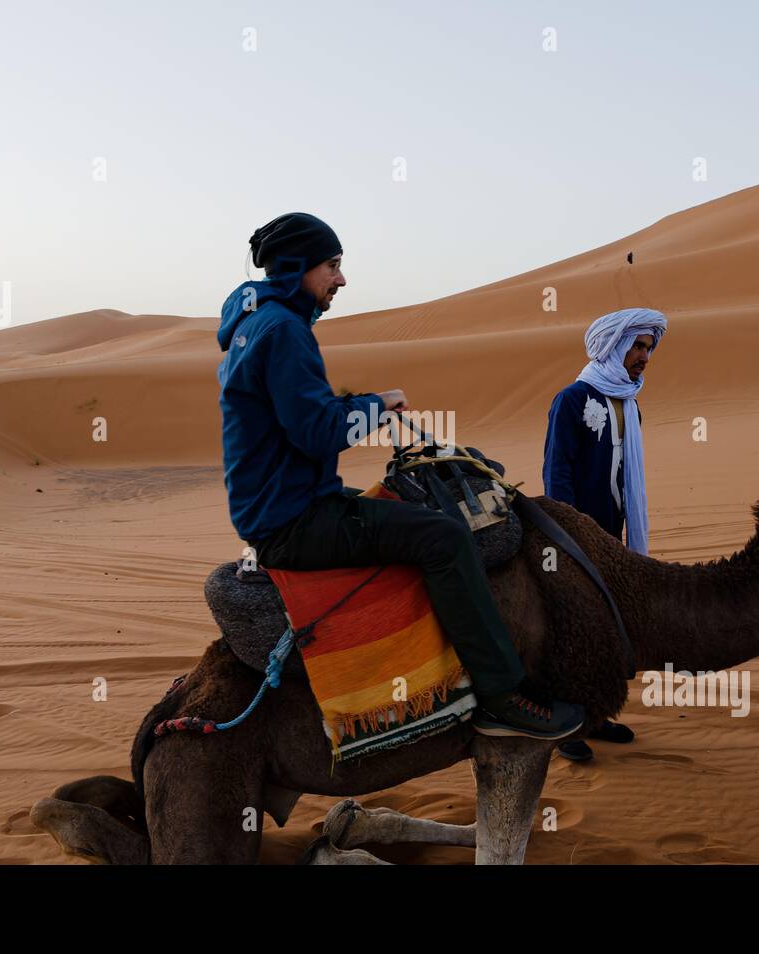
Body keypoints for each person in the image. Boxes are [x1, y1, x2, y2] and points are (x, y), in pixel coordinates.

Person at [217, 212, 584, 740]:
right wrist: (380, 403)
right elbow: (319, 433)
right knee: (444, 536)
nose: (341, 280)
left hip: (284, 503)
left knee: (399, 506)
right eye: (332, 266)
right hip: (292, 519)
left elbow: (295, 417)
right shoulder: (283, 331)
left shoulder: (254, 326)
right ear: (298, 266)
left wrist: (357, 405)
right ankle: (502, 697)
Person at [542, 307, 668, 761]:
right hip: (576, 535)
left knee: (605, 628)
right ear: (612, 347)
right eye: (636, 346)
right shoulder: (573, 399)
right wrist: (568, 532)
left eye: (648, 347)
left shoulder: (629, 401)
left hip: (611, 536)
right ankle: (564, 725)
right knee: (572, 629)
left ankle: (593, 715)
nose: (644, 356)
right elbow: (556, 469)